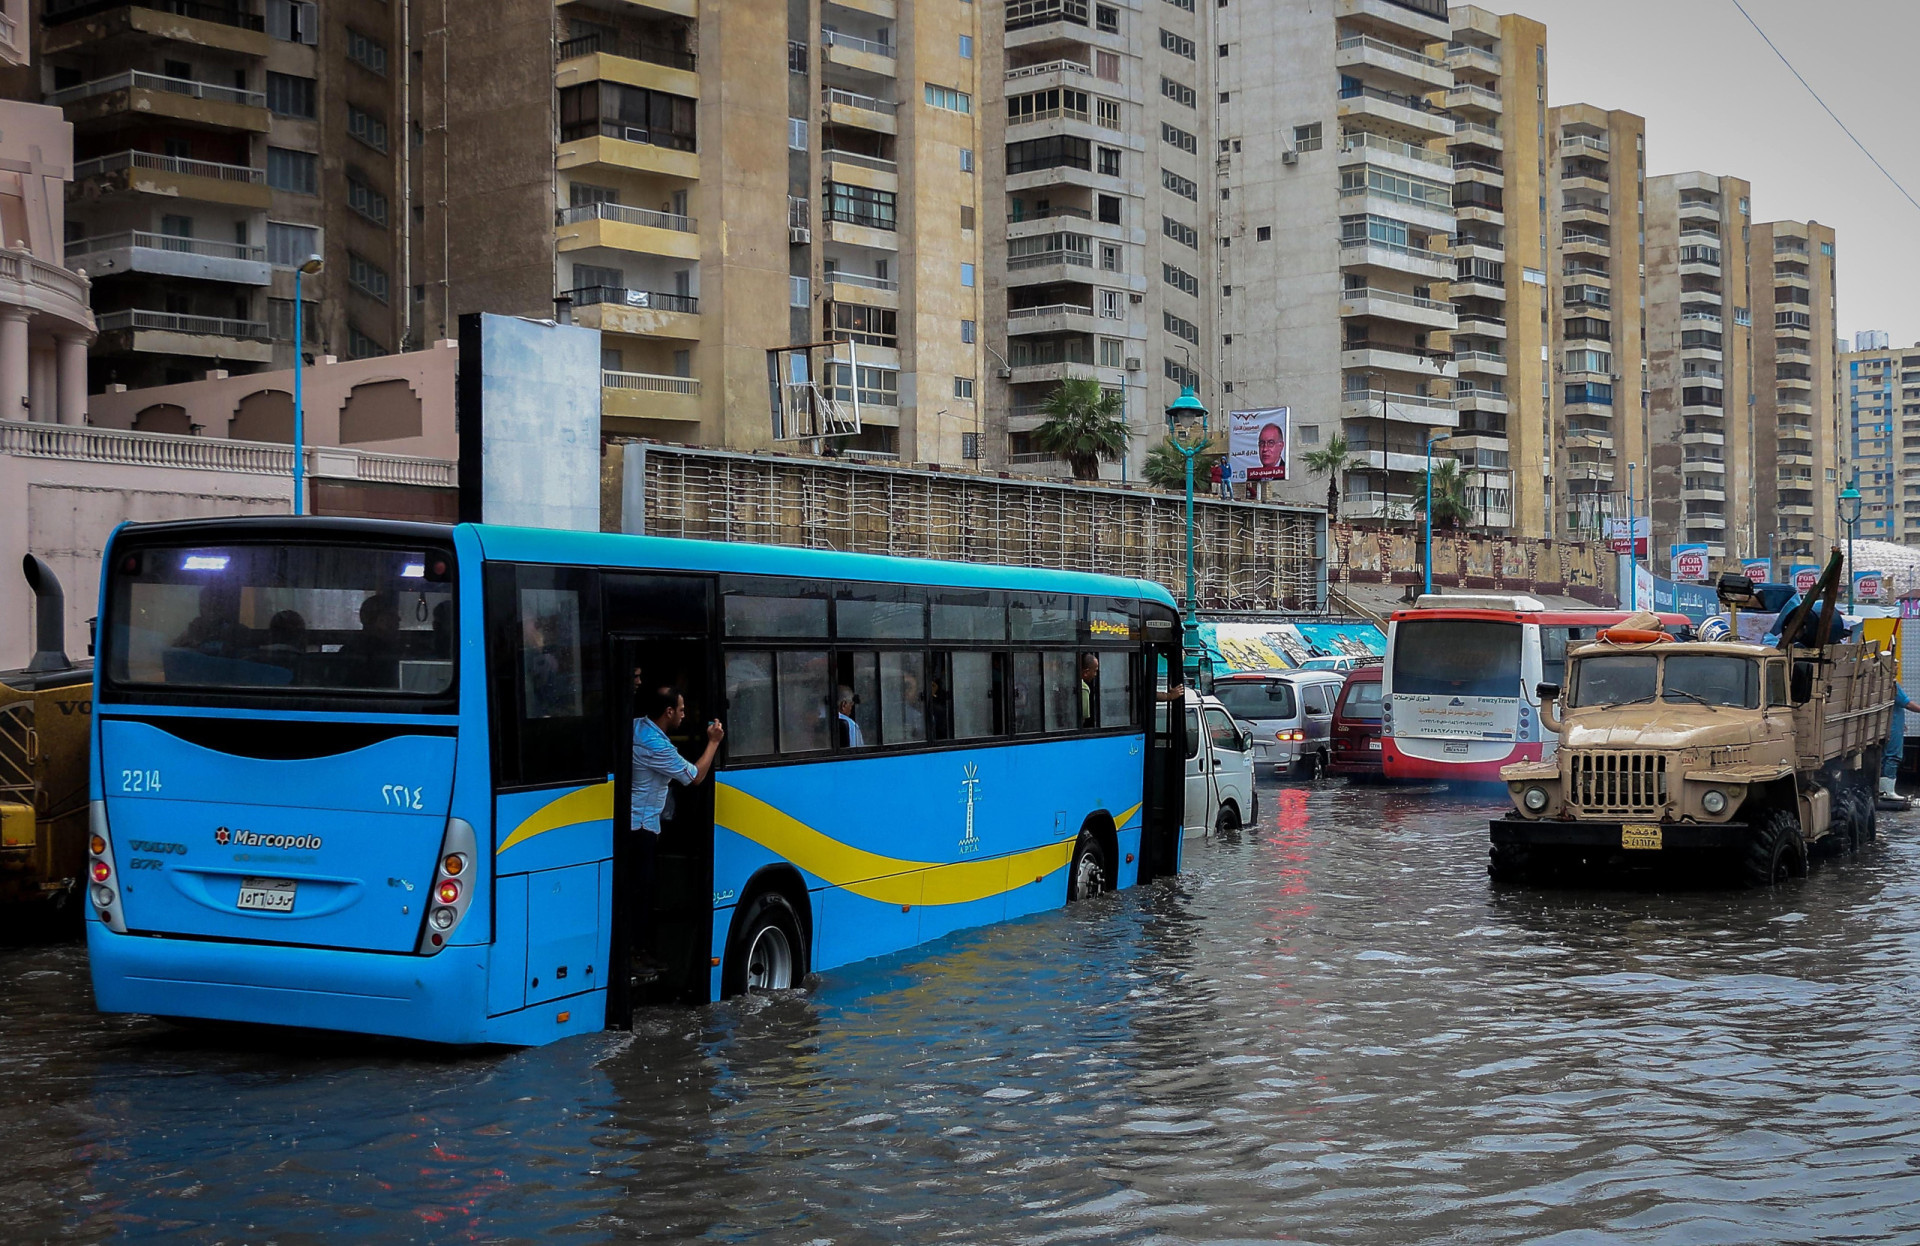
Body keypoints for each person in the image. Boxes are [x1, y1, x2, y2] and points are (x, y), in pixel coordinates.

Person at [630, 687, 724, 970]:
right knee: (642, 895)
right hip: (641, 829)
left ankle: (640, 951)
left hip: (634, 824)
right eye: (681, 710)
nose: (685, 715)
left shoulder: (637, 727)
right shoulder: (655, 746)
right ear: (668, 712)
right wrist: (714, 743)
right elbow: (694, 776)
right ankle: (637, 954)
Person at [1881, 682, 1912, 810]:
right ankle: (1888, 791)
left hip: (1892, 724)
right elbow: (1907, 703)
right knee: (1893, 756)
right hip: (1893, 728)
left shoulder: (1883, 682)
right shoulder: (1892, 685)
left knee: (1886, 757)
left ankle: (1884, 789)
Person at [1079, 653, 1100, 728]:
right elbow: (1083, 719)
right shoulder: (1083, 688)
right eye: (1095, 671)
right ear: (1086, 672)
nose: (1095, 674)